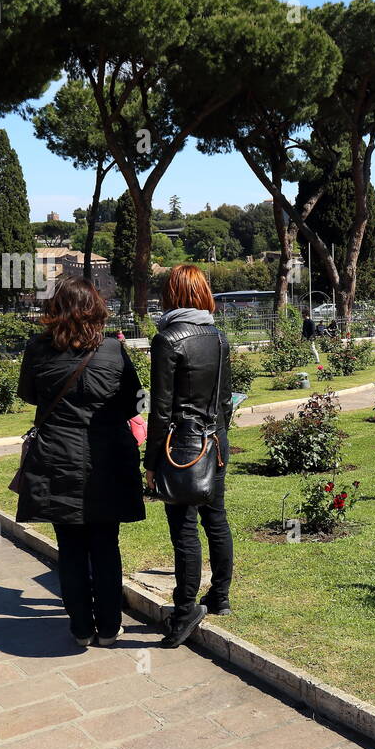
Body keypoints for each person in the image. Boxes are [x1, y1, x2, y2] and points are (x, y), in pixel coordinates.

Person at [16, 277, 144, 648]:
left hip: (57, 458)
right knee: (106, 544)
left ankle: (81, 628)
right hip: (105, 458)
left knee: (70, 548)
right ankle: (108, 627)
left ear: (56, 310)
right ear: (96, 309)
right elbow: (134, 401)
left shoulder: (39, 349)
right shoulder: (112, 351)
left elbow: (28, 395)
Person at [145, 264, 233, 649]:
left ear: (172, 294)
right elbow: (226, 399)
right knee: (215, 518)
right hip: (215, 439)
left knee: (183, 527)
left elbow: (160, 409)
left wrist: (150, 461)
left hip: (181, 444)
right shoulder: (218, 337)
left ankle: (184, 611)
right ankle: (220, 597)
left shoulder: (168, 339)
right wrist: (218, 436)